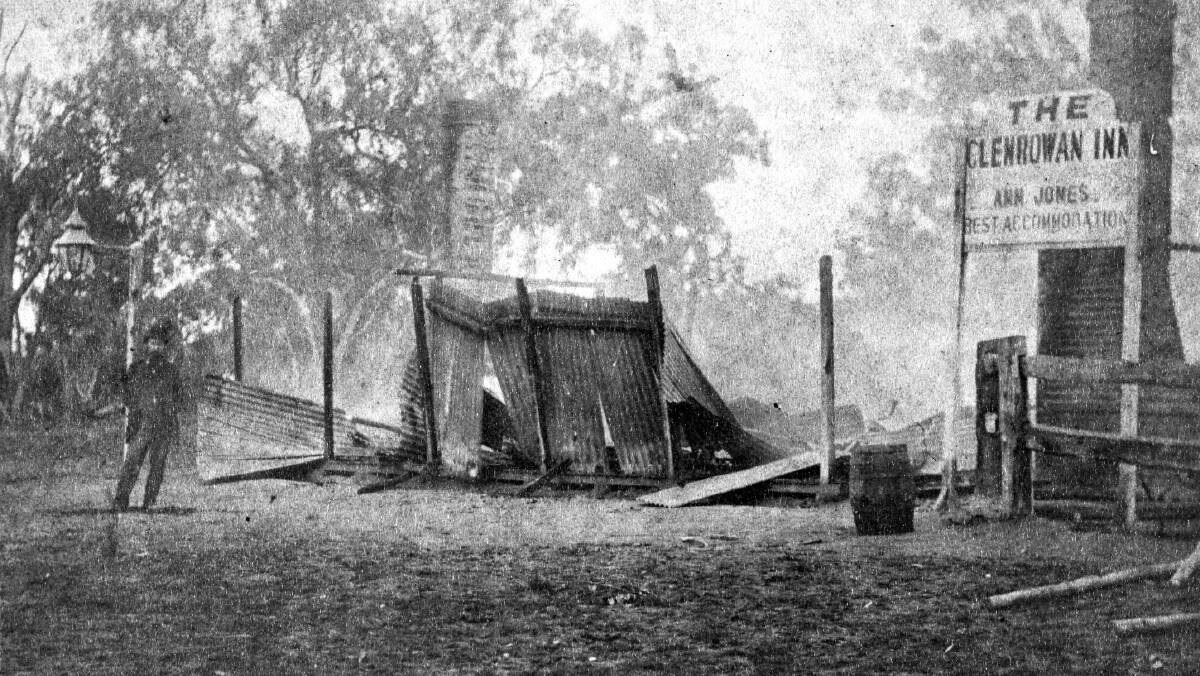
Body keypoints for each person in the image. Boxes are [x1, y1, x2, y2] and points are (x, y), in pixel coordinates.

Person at [111, 318, 184, 512]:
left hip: (163, 424)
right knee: (132, 462)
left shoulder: (171, 370)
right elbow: (125, 394)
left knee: (157, 466)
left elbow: (179, 397)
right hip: (141, 423)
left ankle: (149, 502)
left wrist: (169, 412)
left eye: (159, 343)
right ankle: (120, 501)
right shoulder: (136, 368)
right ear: (146, 344)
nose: (155, 346)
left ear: (163, 346)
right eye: (152, 342)